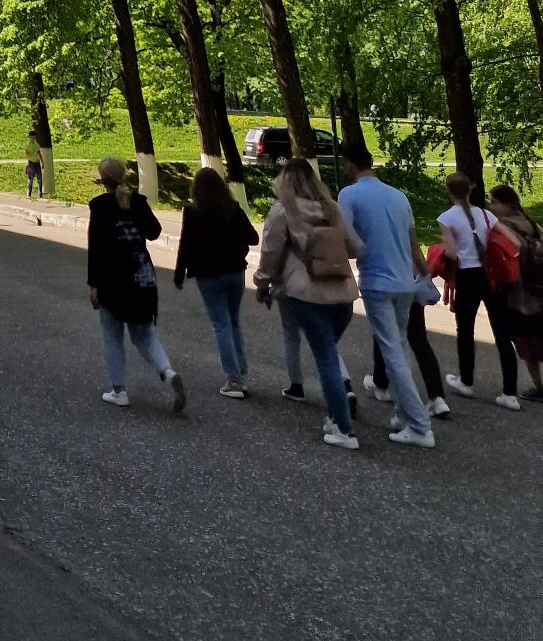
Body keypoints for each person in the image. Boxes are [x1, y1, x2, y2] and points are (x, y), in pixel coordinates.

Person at [255, 158, 361, 448]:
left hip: (306, 293)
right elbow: (354, 247)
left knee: (325, 357)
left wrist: (262, 282)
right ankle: (336, 416)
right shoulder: (332, 209)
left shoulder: (283, 211)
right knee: (328, 353)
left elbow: (271, 252)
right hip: (343, 294)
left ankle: (343, 428)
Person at [338, 142, 433, 447]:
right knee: (400, 348)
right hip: (405, 282)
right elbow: (413, 241)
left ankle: (419, 425)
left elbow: (346, 239)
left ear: (350, 164)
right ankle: (404, 415)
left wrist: (358, 253)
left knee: (392, 352)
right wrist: (424, 275)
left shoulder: (349, 195)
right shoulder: (398, 196)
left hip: (377, 282)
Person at [88, 156, 184, 411]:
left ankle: (119, 391)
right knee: (144, 335)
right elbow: (154, 231)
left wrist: (93, 285)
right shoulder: (138, 202)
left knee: (112, 336)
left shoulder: (99, 206)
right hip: (142, 276)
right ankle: (167, 371)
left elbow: (96, 248)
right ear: (124, 176)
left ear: (102, 179)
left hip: (112, 280)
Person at [172, 165, 258, 397]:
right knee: (233, 322)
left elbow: (185, 245)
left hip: (208, 275)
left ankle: (234, 381)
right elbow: (253, 237)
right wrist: (238, 247)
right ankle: (240, 368)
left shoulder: (192, 212)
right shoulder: (233, 209)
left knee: (221, 325)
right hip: (234, 272)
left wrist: (179, 274)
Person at [439, 173, 519, 408]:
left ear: (449, 191)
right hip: (490, 274)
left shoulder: (447, 217)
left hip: (467, 276)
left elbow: (452, 253)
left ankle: (466, 380)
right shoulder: (487, 214)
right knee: (502, 332)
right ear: (470, 189)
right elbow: (512, 240)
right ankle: (510, 392)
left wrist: (439, 253)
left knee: (465, 329)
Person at [490, 185, 543, 402]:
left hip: (522, 294)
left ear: (507, 204)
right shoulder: (531, 223)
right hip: (539, 290)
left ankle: (539, 387)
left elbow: (513, 248)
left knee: (528, 341)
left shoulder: (503, 225)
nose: (491, 206)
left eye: (494, 202)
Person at [368, 300, 447, 418]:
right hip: (412, 289)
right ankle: (436, 397)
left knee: (383, 334)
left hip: (386, 289)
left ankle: (381, 383)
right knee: (419, 341)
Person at [25, 128, 46, 200]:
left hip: (37, 163)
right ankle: (28, 193)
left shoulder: (37, 145)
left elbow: (39, 154)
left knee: (39, 179)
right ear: (29, 138)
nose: (33, 139)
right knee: (30, 179)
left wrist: (42, 162)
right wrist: (27, 163)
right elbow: (26, 154)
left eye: (34, 138)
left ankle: (40, 194)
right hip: (31, 163)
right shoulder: (27, 146)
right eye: (32, 138)